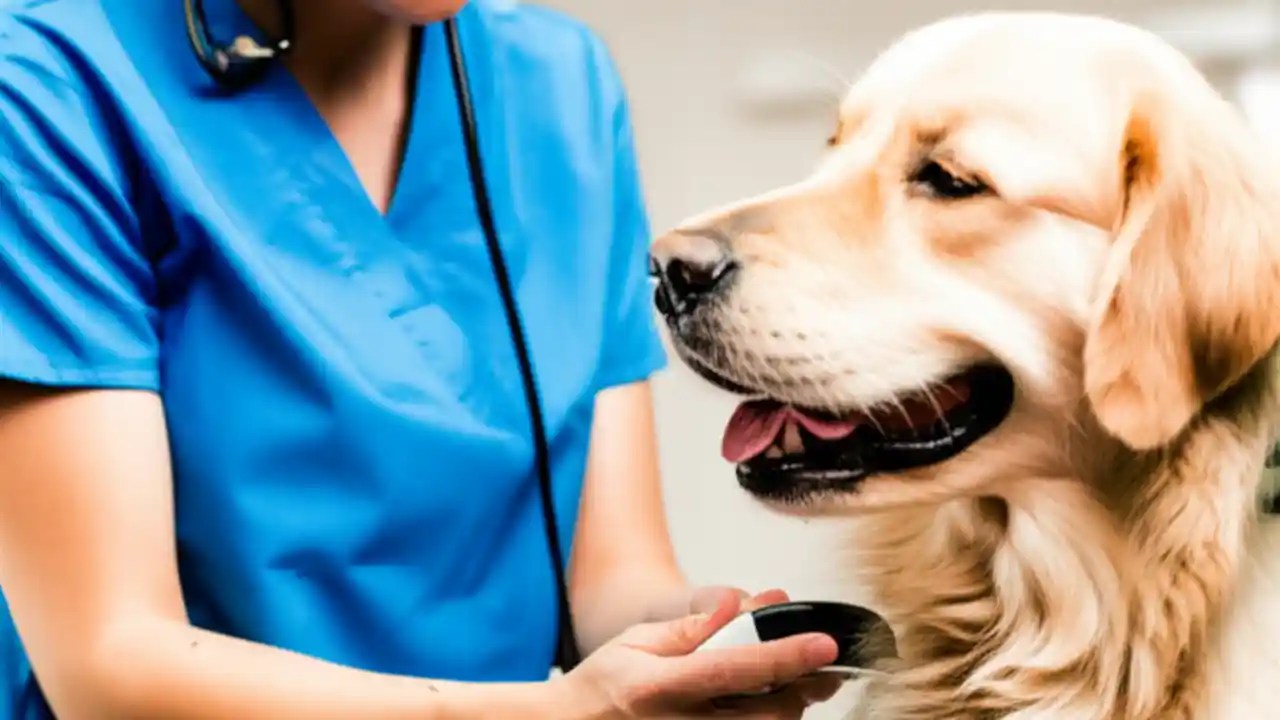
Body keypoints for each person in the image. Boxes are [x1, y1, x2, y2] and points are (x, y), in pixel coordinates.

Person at [0, 0, 843, 718]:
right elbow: (109, 665)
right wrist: (558, 712)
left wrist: (691, 646)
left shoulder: (555, 79)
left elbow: (613, 581)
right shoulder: (46, 79)